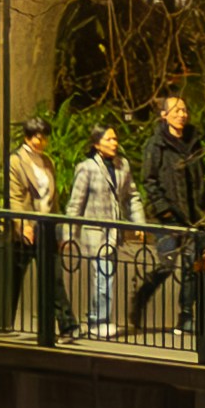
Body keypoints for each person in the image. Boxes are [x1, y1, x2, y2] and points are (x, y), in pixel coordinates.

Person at [134, 92, 205, 346]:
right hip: (167, 217)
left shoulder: (193, 141)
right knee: (167, 263)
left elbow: (200, 177)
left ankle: (186, 316)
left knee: (192, 266)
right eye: (177, 111)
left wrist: (204, 207)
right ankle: (142, 296)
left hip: (193, 217)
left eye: (185, 110)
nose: (182, 115)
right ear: (164, 115)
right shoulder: (156, 144)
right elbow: (149, 179)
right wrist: (164, 209)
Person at [56, 117, 138, 341]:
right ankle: (98, 320)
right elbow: (75, 204)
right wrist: (68, 235)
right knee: (104, 275)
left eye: (115, 139)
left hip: (114, 232)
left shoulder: (123, 165)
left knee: (105, 275)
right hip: (95, 232)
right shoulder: (87, 169)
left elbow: (132, 195)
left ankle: (97, 318)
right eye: (109, 139)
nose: (114, 142)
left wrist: (138, 222)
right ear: (96, 143)